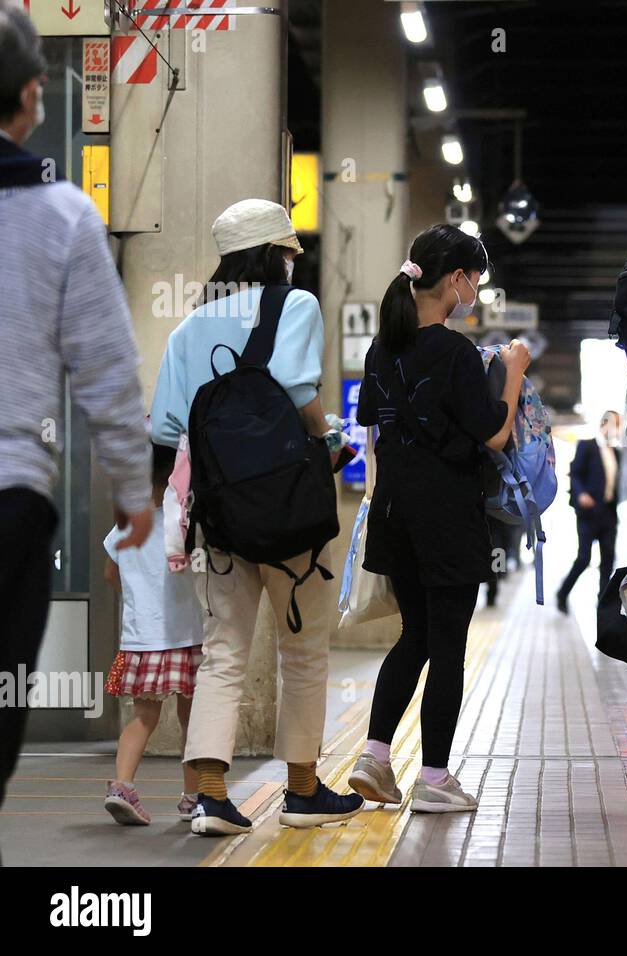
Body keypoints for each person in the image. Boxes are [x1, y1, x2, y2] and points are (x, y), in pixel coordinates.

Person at [150, 198, 361, 835]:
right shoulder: (294, 306)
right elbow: (301, 393)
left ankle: (212, 797)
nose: (295, 262)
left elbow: (165, 424)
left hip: (218, 512)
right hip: (289, 508)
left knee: (223, 652)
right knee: (304, 648)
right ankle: (301, 792)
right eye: (291, 252)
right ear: (274, 254)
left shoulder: (188, 328)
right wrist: (332, 445)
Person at [0, 8, 153, 834]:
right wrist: (133, 494)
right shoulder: (62, 216)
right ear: (32, 97)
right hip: (10, 502)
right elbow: (106, 374)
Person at [346, 225, 530, 813]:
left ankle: (374, 757)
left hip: (395, 516)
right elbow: (495, 434)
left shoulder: (381, 349)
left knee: (415, 636)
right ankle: (433, 779)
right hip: (447, 516)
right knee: (449, 645)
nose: (474, 290)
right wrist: (515, 368)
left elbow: (376, 435)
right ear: (456, 279)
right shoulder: (452, 351)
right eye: (474, 279)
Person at [102, 442, 204, 825]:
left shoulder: (128, 522)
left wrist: (137, 600)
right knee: (190, 718)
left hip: (142, 637)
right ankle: (193, 797)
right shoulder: (184, 522)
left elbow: (111, 574)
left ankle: (122, 786)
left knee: (143, 716)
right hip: (185, 633)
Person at [555, 409, 622, 613]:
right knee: (584, 558)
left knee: (608, 559)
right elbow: (574, 474)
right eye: (615, 424)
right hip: (589, 512)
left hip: (609, 514)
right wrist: (581, 493)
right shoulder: (587, 446)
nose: (618, 430)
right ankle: (562, 593)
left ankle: (602, 603)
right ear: (604, 424)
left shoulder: (616, 452)